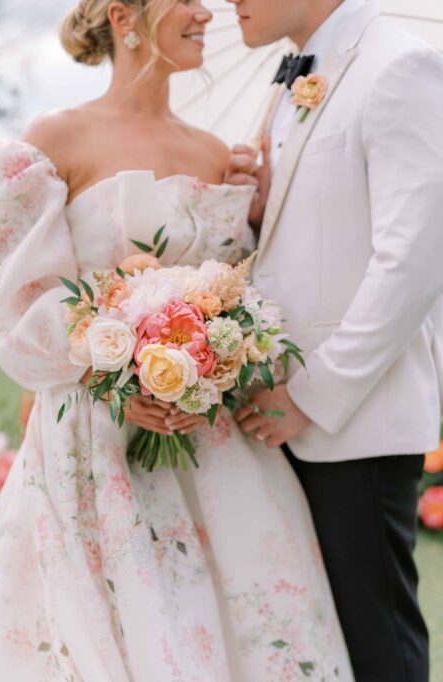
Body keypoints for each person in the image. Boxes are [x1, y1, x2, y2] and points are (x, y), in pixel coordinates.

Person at [0, 1, 353, 679]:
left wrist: (213, 367)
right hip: (97, 443)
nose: (205, 12)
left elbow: (238, 299)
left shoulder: (220, 155)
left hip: (214, 442)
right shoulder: (54, 140)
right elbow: (25, 301)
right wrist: (113, 380)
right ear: (126, 16)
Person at [227, 1, 443, 679]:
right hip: (284, 416)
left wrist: (313, 395)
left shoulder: (397, 65)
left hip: (352, 423)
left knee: (376, 647)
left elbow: (415, 259)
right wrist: (260, 213)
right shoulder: (294, 78)